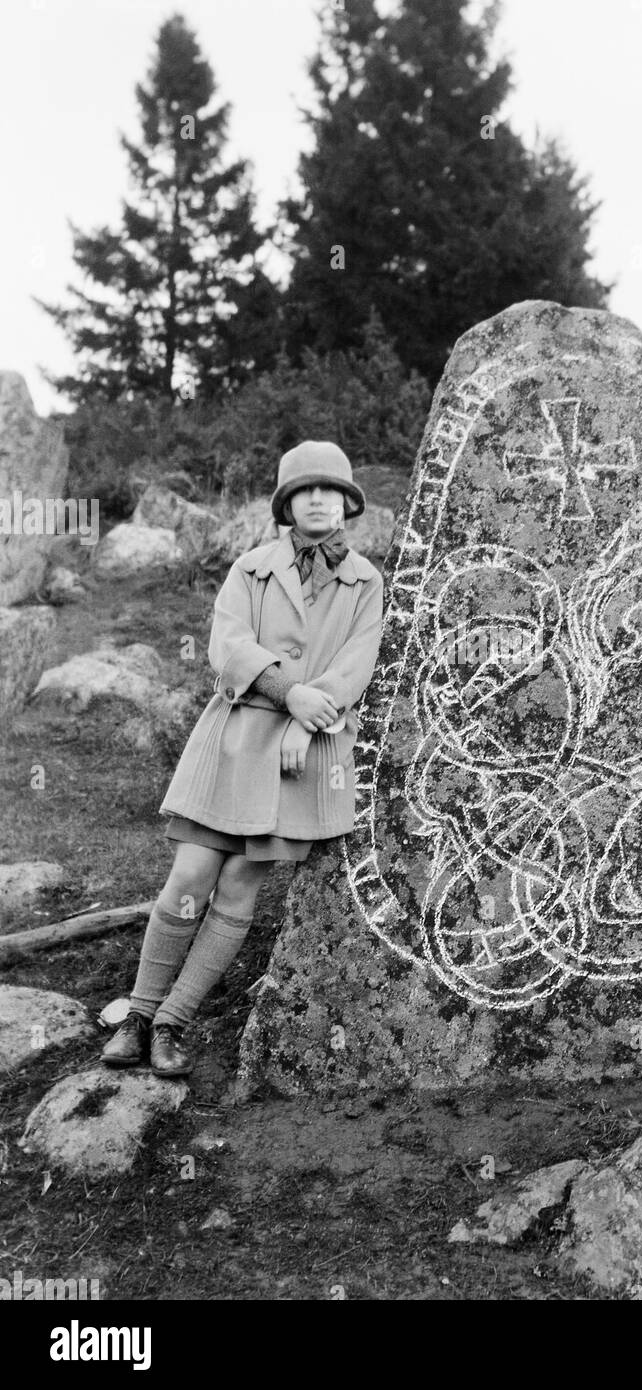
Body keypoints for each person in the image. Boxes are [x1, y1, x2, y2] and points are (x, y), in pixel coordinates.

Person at [101, 441, 384, 1077]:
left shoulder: (366, 581)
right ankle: (139, 1014)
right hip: (238, 740)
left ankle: (175, 1020)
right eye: (304, 491)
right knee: (190, 878)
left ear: (346, 503)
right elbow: (229, 648)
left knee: (238, 887)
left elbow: (356, 664)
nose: (317, 500)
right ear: (286, 504)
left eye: (329, 490)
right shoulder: (251, 569)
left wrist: (309, 719)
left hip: (306, 751)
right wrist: (290, 692)